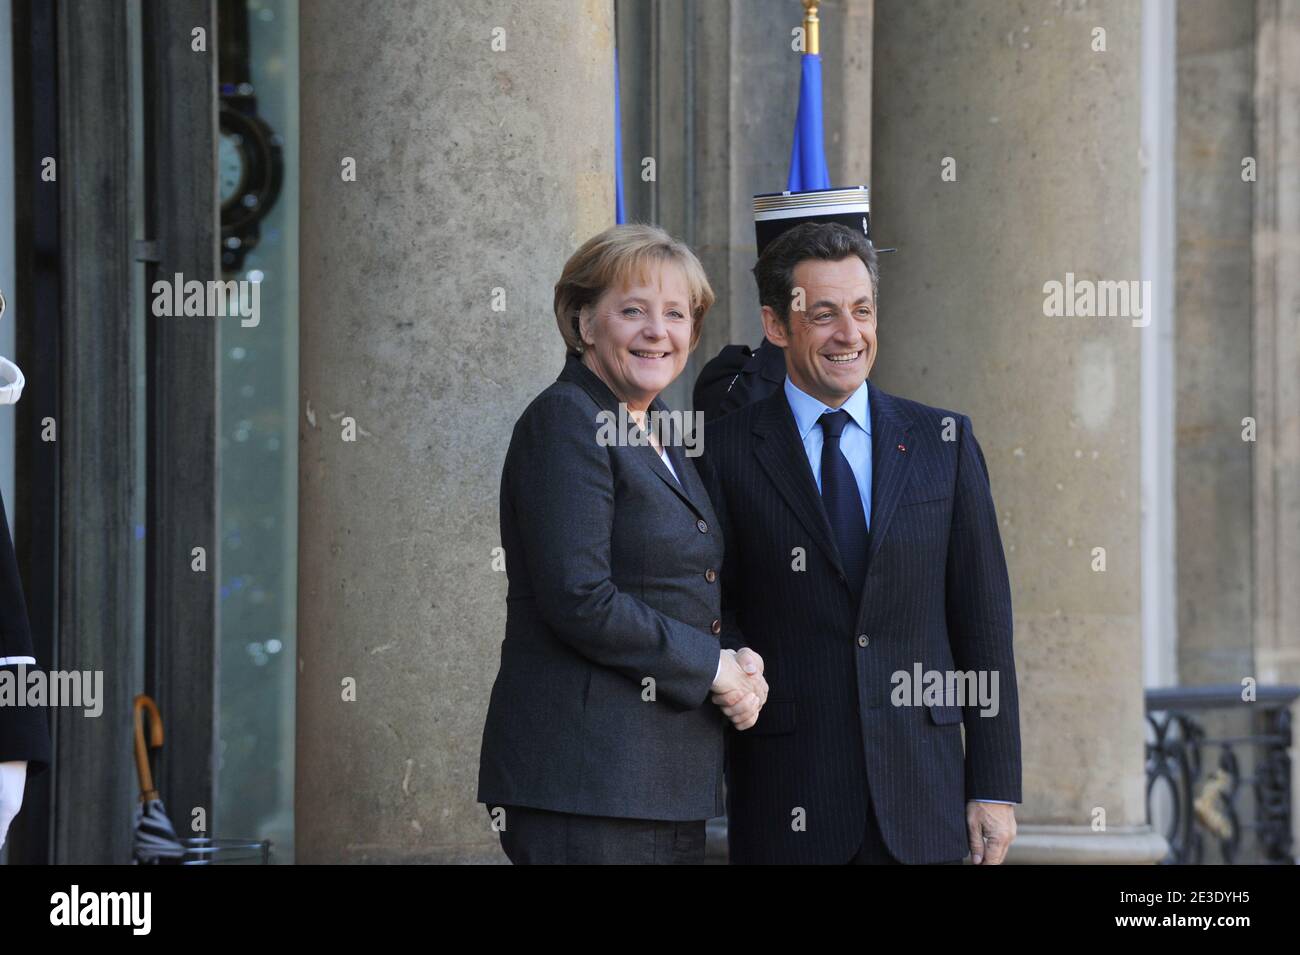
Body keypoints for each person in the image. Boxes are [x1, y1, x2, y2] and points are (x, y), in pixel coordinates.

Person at [696, 221, 1021, 864]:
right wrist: (735, 664)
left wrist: (994, 786)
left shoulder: (944, 443)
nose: (850, 334)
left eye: (863, 310)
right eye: (823, 315)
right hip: (788, 793)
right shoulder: (723, 451)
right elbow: (708, 605)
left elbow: (983, 621)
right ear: (776, 325)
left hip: (923, 800)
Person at [477, 223, 768, 864]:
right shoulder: (566, 419)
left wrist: (737, 657)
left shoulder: (661, 428)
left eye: (675, 314)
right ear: (584, 323)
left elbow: (682, 585)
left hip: (661, 781)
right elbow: (579, 596)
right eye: (632, 310)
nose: (656, 331)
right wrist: (710, 665)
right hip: (589, 783)